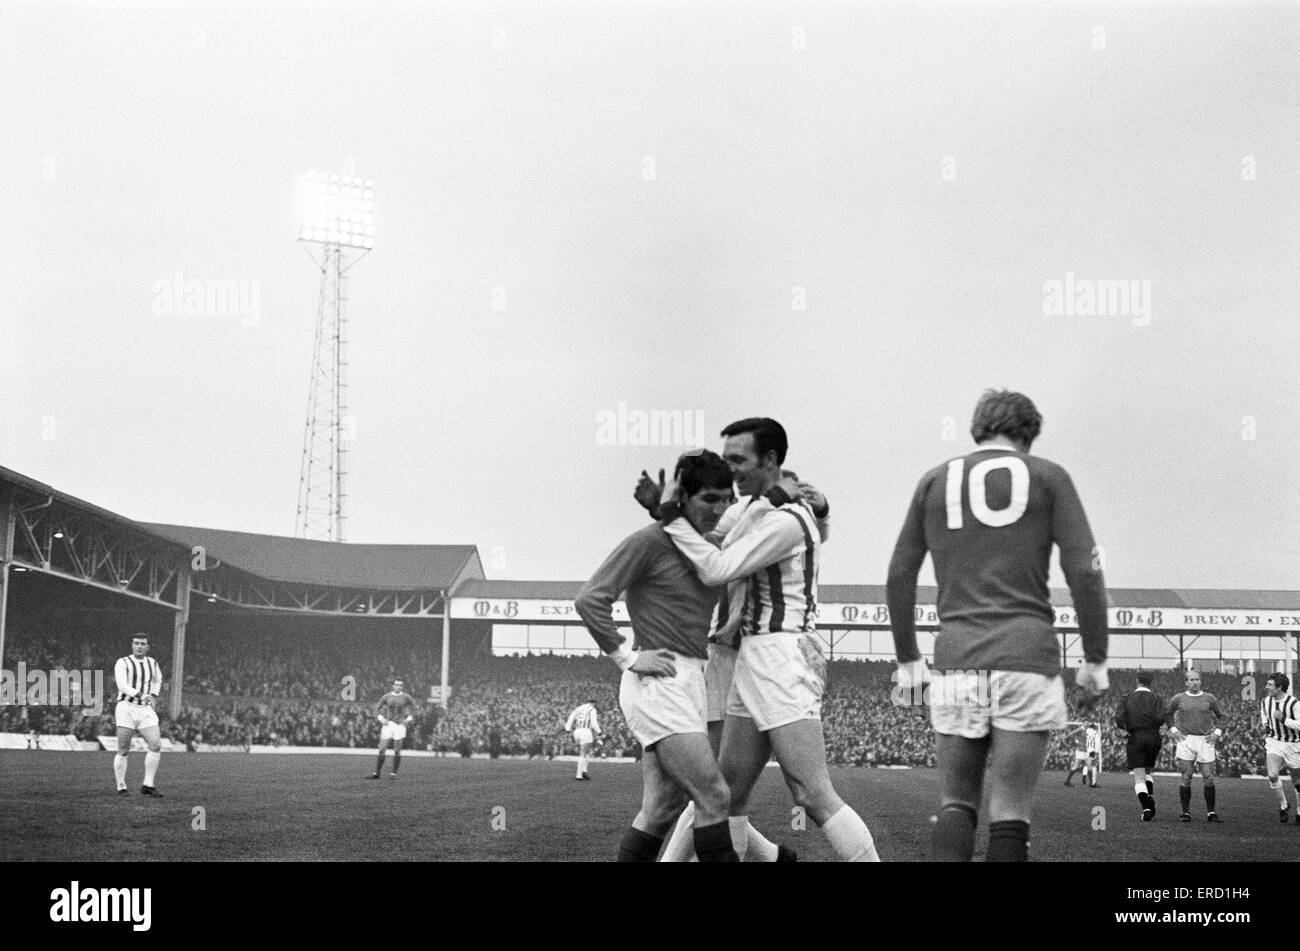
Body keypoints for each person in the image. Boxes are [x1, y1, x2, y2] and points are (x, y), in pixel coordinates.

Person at [887, 389, 1109, 861]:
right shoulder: (1049, 477)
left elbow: (900, 572)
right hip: (1026, 656)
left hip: (958, 657)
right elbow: (1086, 570)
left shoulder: (935, 480)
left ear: (978, 428)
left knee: (955, 804)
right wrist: (1095, 658)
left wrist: (908, 659)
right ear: (1028, 433)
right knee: (1010, 810)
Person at [657, 419, 880, 862]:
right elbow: (716, 533)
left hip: (782, 654)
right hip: (755, 654)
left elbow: (718, 567)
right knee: (726, 793)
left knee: (811, 794)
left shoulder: (787, 520)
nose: (730, 469)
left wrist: (669, 517)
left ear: (771, 460)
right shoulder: (762, 509)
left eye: (738, 459)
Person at [644, 465, 823, 862]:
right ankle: (772, 857)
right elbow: (712, 543)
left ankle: (769, 857)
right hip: (717, 652)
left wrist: (816, 507)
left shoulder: (775, 524)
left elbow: (812, 534)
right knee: (714, 787)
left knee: (717, 788)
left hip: (737, 654)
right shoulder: (741, 517)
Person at [574, 449, 739, 861]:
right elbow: (590, 599)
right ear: (683, 497)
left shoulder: (710, 548)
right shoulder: (648, 543)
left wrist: (661, 509)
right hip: (658, 682)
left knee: (661, 809)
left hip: (692, 679)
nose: (718, 509)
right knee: (716, 796)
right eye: (709, 499)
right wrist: (627, 657)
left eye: (725, 499)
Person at [1165, 668, 1225, 823]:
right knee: (1186, 776)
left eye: (1197, 679)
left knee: (1208, 777)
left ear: (1201, 681)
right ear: (1186, 682)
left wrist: (1217, 733)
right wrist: (1174, 730)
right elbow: (1168, 715)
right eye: (1191, 680)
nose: (1195, 682)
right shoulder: (1178, 698)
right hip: (1186, 740)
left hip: (1205, 740)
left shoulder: (1209, 698)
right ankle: (1186, 813)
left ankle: (1211, 813)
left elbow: (1222, 716)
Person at [113, 633, 166, 797]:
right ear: (132, 645)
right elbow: (122, 685)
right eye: (136, 643)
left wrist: (154, 695)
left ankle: (148, 784)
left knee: (155, 744)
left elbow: (158, 679)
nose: (139, 646)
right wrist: (142, 695)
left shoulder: (152, 663)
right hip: (126, 707)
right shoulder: (123, 662)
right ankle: (121, 786)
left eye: (143, 644)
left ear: (147, 646)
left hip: (145, 709)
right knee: (123, 748)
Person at [1115, 670, 1165, 820]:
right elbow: (1161, 717)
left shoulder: (1127, 698)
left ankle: (1147, 808)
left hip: (1136, 737)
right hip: (1153, 737)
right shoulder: (1157, 698)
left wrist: (1124, 729)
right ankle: (1150, 798)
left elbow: (1119, 718)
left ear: (1137, 681)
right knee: (1147, 772)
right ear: (1151, 682)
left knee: (1139, 776)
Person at [1260, 672, 1300, 824]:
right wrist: (1266, 726)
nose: (1267, 687)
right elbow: (1264, 714)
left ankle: (1299, 811)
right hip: (1274, 741)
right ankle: (1283, 805)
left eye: (1270, 685)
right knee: (1272, 775)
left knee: (1297, 782)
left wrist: (1284, 720)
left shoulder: (1294, 703)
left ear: (1280, 687)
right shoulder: (1265, 701)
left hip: (1293, 744)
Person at [370, 679, 417, 779]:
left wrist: (407, 720)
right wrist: (381, 719)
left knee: (397, 750)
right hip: (388, 724)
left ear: (402, 687)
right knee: (382, 749)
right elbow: (377, 708)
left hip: (400, 725)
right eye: (396, 684)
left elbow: (415, 709)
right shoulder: (387, 696)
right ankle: (377, 773)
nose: (398, 686)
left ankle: (393, 773)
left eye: (400, 685)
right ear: (393, 686)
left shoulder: (406, 697)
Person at [565, 700, 600, 780]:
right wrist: (599, 731)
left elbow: (571, 718)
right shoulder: (592, 709)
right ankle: (579, 775)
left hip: (577, 732)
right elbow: (594, 723)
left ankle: (584, 771)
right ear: (593, 703)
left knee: (586, 752)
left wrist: (568, 729)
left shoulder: (579, 708)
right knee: (583, 753)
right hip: (585, 731)